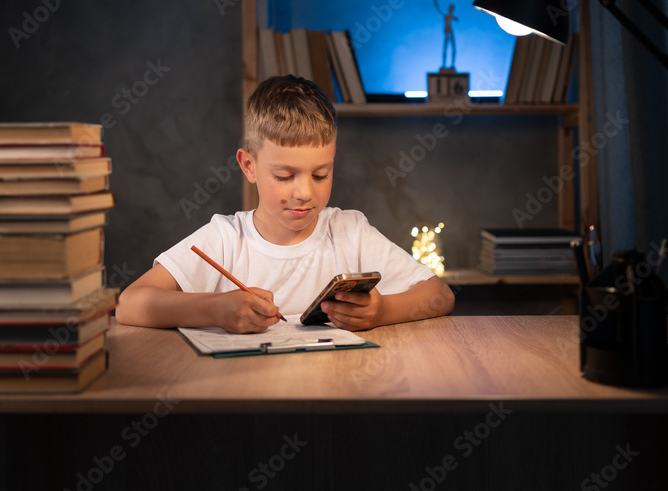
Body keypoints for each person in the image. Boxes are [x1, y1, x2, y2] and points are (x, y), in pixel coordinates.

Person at [115, 75, 455, 333]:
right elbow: (129, 304)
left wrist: (382, 312)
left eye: (321, 174)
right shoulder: (224, 239)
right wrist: (214, 308)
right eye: (284, 176)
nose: (305, 192)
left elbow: (440, 295)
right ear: (249, 166)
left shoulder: (349, 231)